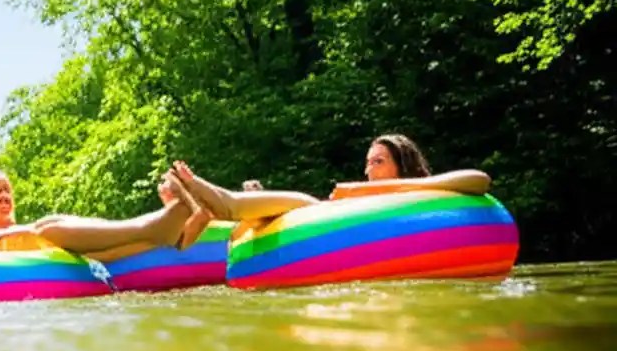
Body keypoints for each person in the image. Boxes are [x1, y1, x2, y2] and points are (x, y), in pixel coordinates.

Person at [169, 134, 492, 222]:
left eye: (378, 161)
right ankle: (204, 194)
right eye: (367, 163)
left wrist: (392, 187)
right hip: (314, 210)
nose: (369, 170)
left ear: (402, 164)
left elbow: (480, 180)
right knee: (246, 207)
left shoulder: (424, 192)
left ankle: (207, 198)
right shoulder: (360, 193)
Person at [0, 168, 202, 255]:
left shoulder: (24, 227)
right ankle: (159, 229)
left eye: (8, 190)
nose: (6, 196)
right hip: (25, 251)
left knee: (50, 222)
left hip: (58, 250)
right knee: (48, 229)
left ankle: (172, 230)